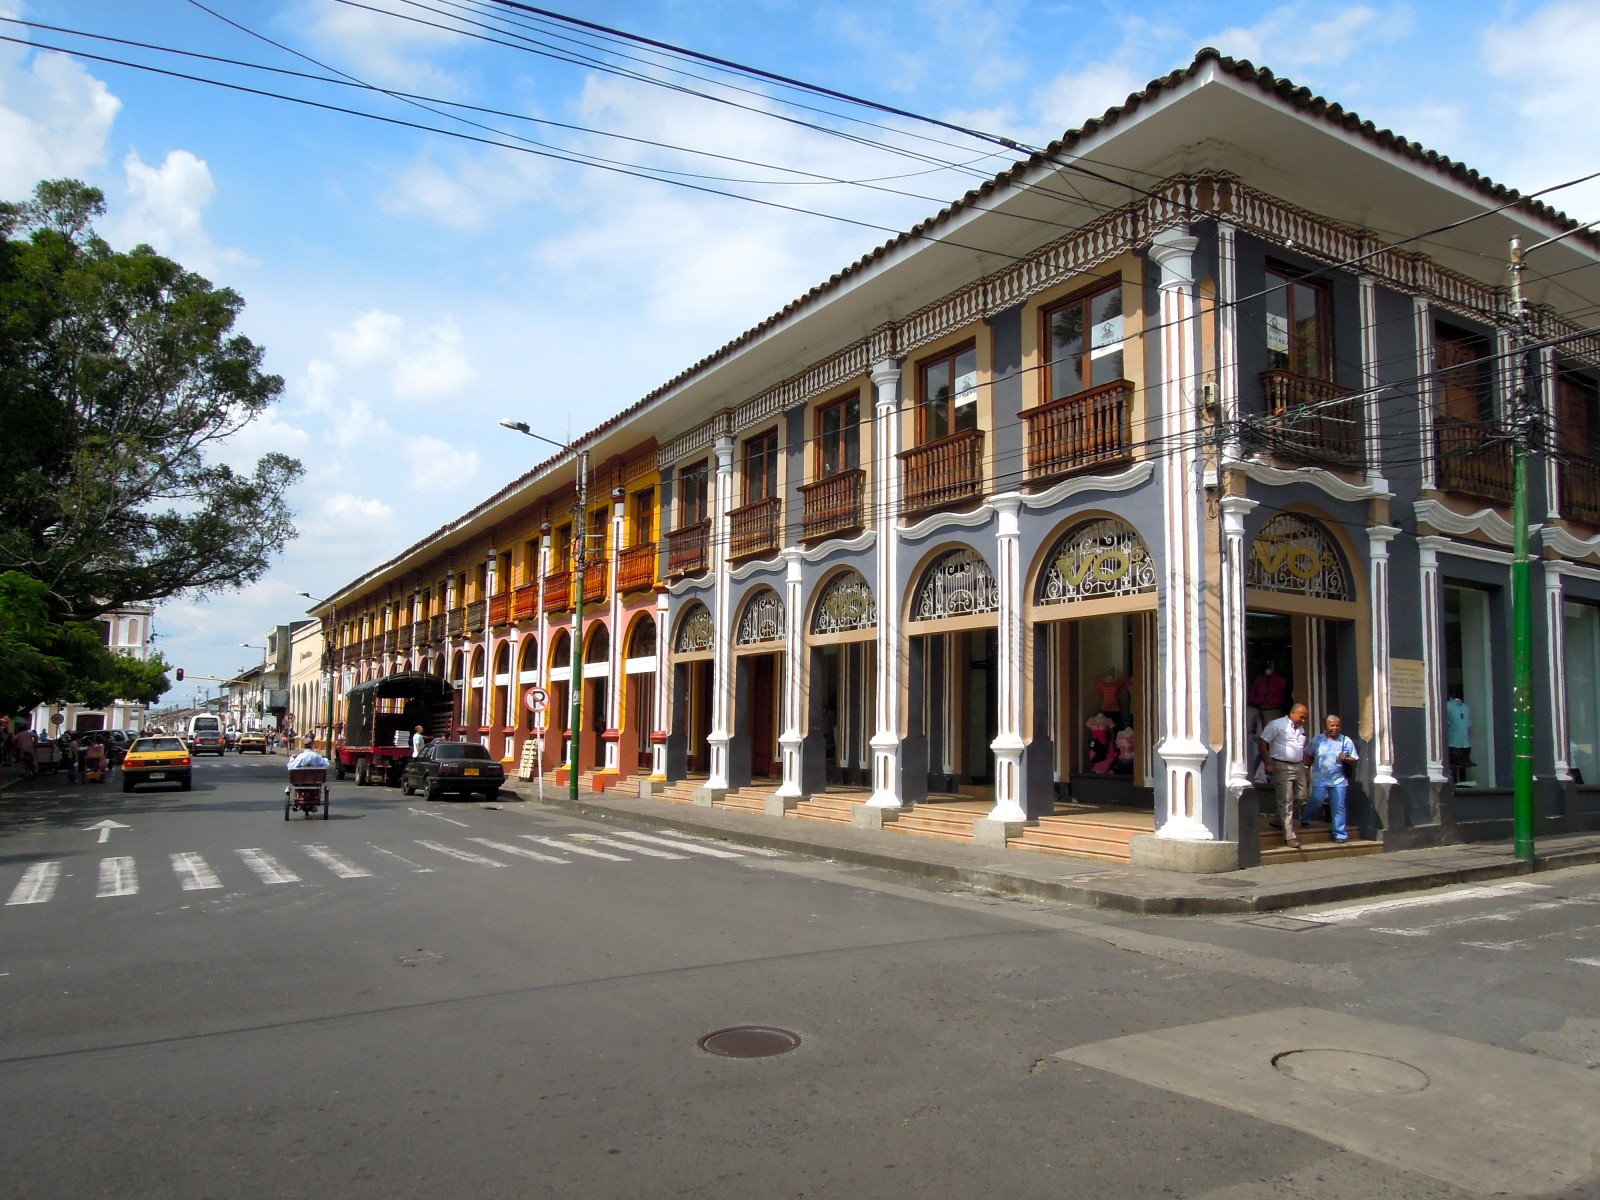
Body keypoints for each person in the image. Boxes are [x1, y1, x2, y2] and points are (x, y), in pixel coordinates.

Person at [1257, 702, 1310, 849]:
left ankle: (1278, 820)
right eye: (1301, 717)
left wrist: (1305, 767)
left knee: (1302, 796)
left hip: (1298, 765)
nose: (1303, 720)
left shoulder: (1300, 729)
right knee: (1285, 800)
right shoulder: (1277, 725)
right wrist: (1267, 763)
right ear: (1293, 713)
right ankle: (1289, 836)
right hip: (1281, 764)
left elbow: (1301, 748)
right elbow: (1263, 741)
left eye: (1305, 718)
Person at [1307, 714, 1359, 842]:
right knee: (1316, 800)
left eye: (1337, 725)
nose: (1335, 728)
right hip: (1320, 779)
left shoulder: (1345, 740)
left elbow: (1354, 759)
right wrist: (1305, 769)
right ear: (1325, 727)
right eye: (1332, 725)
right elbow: (1308, 756)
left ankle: (1340, 834)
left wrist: (1346, 758)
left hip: (1339, 780)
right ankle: (1305, 817)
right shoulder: (1317, 740)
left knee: (1338, 806)